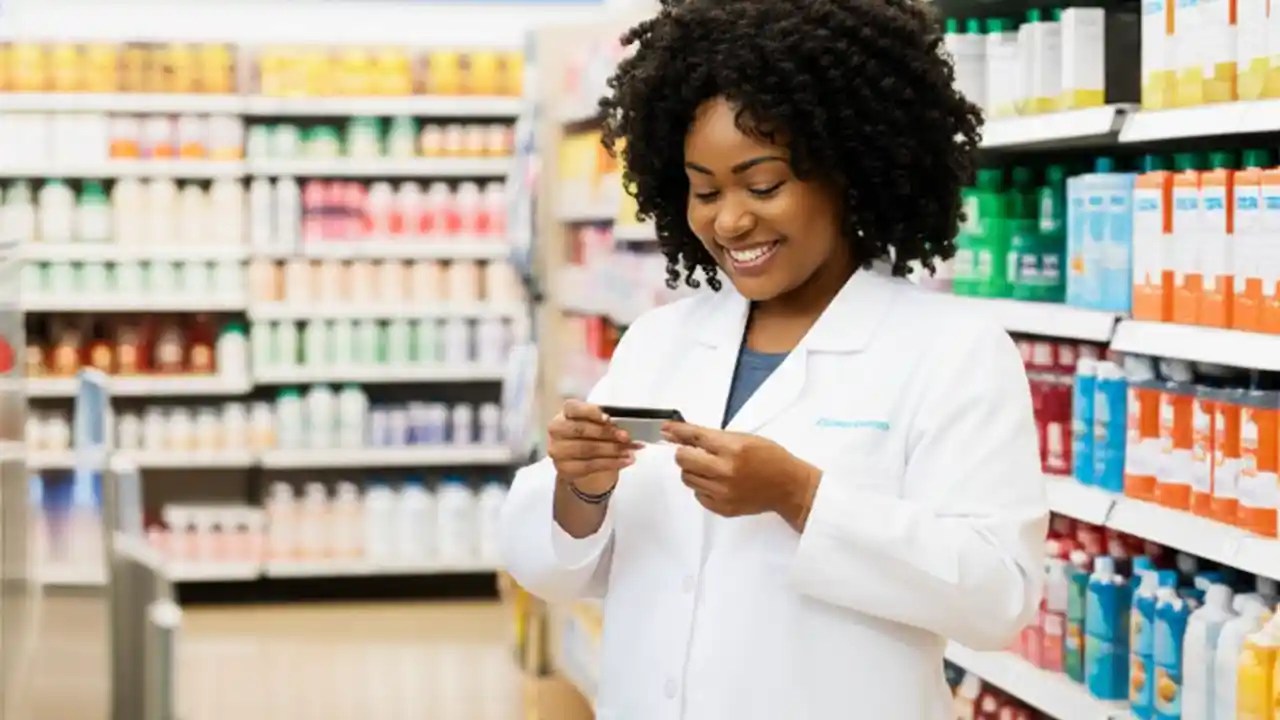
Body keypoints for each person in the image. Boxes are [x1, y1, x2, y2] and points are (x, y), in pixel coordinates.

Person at [500, 0, 1049, 717]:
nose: (729, 220)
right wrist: (581, 488)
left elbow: (997, 594)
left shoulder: (951, 351)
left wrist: (801, 498)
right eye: (704, 190)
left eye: (763, 185)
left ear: (848, 170)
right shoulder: (660, 342)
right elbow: (567, 566)